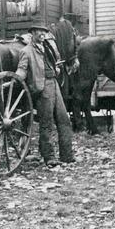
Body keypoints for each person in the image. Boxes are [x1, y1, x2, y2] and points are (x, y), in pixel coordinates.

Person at [16, 24, 75, 167]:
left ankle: (67, 155)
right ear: (33, 33)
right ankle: (49, 157)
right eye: (39, 32)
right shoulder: (26, 51)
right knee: (46, 123)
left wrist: (56, 69)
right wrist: (15, 79)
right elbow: (22, 69)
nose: (42, 34)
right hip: (42, 88)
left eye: (44, 32)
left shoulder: (47, 47)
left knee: (64, 120)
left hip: (54, 84)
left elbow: (51, 63)